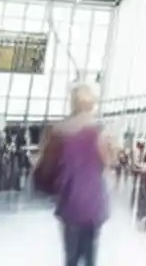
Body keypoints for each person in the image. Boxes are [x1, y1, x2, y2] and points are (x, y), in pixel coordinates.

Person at [47, 84, 116, 266]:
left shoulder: (61, 131)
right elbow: (109, 161)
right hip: (93, 202)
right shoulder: (100, 131)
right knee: (90, 255)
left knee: (71, 257)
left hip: (71, 200)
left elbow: (50, 168)